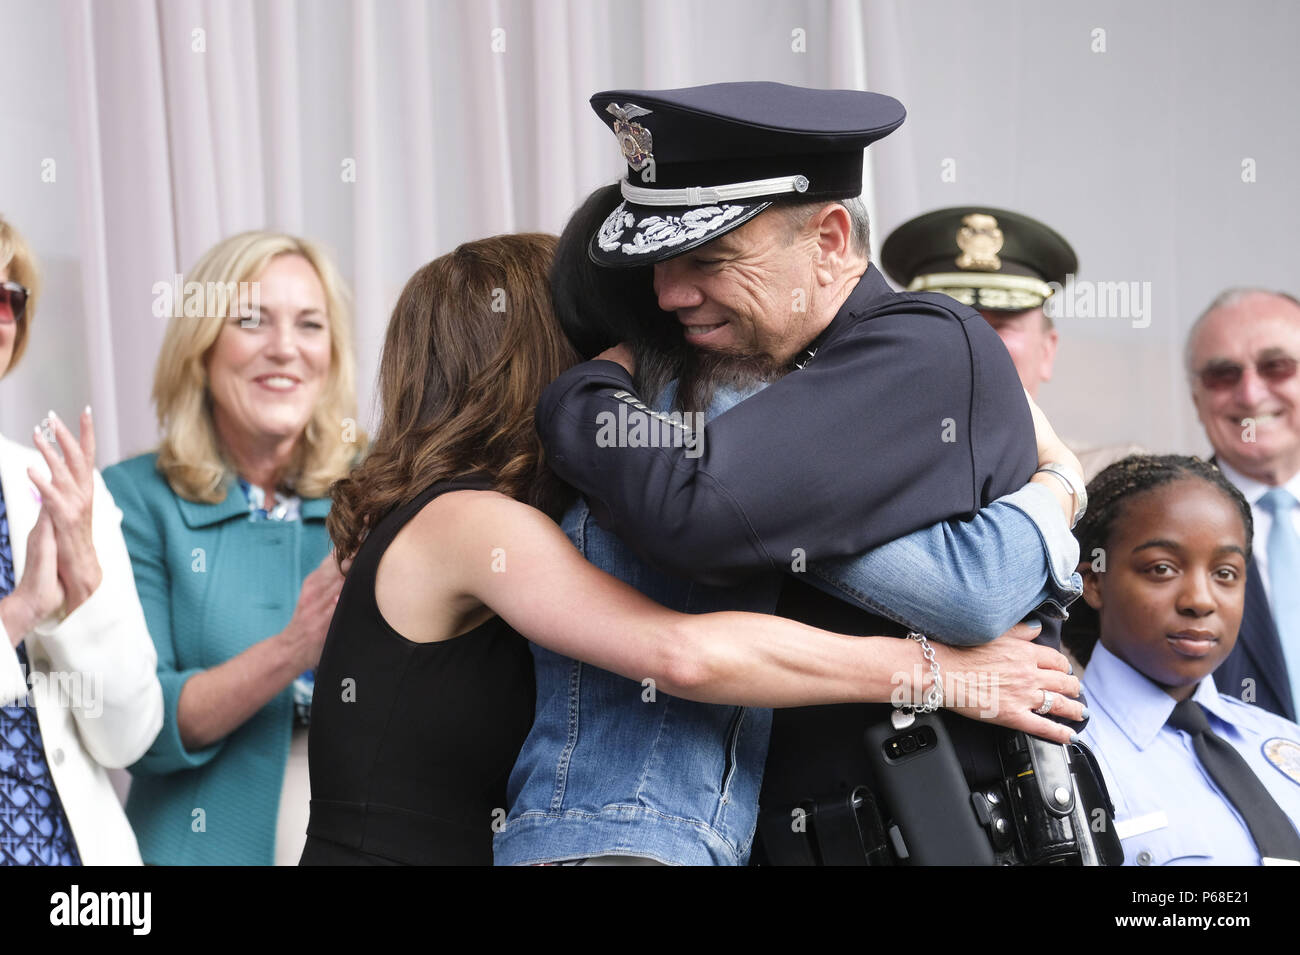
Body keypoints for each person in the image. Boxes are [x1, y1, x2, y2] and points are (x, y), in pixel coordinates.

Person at [300, 231, 1083, 866]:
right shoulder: (471, 526)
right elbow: (683, 654)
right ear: (549, 356)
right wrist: (943, 673)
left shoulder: (491, 522)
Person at [500, 83, 1105, 867]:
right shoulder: (733, 376)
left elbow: (700, 515)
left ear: (827, 239)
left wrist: (583, 390)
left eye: (708, 259)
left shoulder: (920, 343)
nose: (669, 294)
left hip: (958, 832)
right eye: (656, 264)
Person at [102, 230, 362, 865]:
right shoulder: (132, 499)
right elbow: (144, 724)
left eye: (309, 325)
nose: (285, 350)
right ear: (202, 346)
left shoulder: (376, 487)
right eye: (252, 321)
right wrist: (293, 648)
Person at [0, 213, 163, 865]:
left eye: (5, 297)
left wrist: (84, 596)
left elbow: (129, 737)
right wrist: (21, 613)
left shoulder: (58, 489)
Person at [1065, 454, 1300, 865]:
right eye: (1161, 568)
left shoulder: (1283, 741)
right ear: (1095, 582)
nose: (1200, 601)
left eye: (1225, 573)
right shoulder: (1061, 756)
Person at [880, 206, 1142, 480]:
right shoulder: (870, 470)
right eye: (949, 322)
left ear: (1047, 351)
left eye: (999, 326)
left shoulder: (1111, 480)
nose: (974, 343)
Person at [1186, 289, 1300, 722]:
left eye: (1277, 367)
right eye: (1223, 374)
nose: (1250, 395)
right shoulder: (1157, 526)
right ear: (1197, 398)